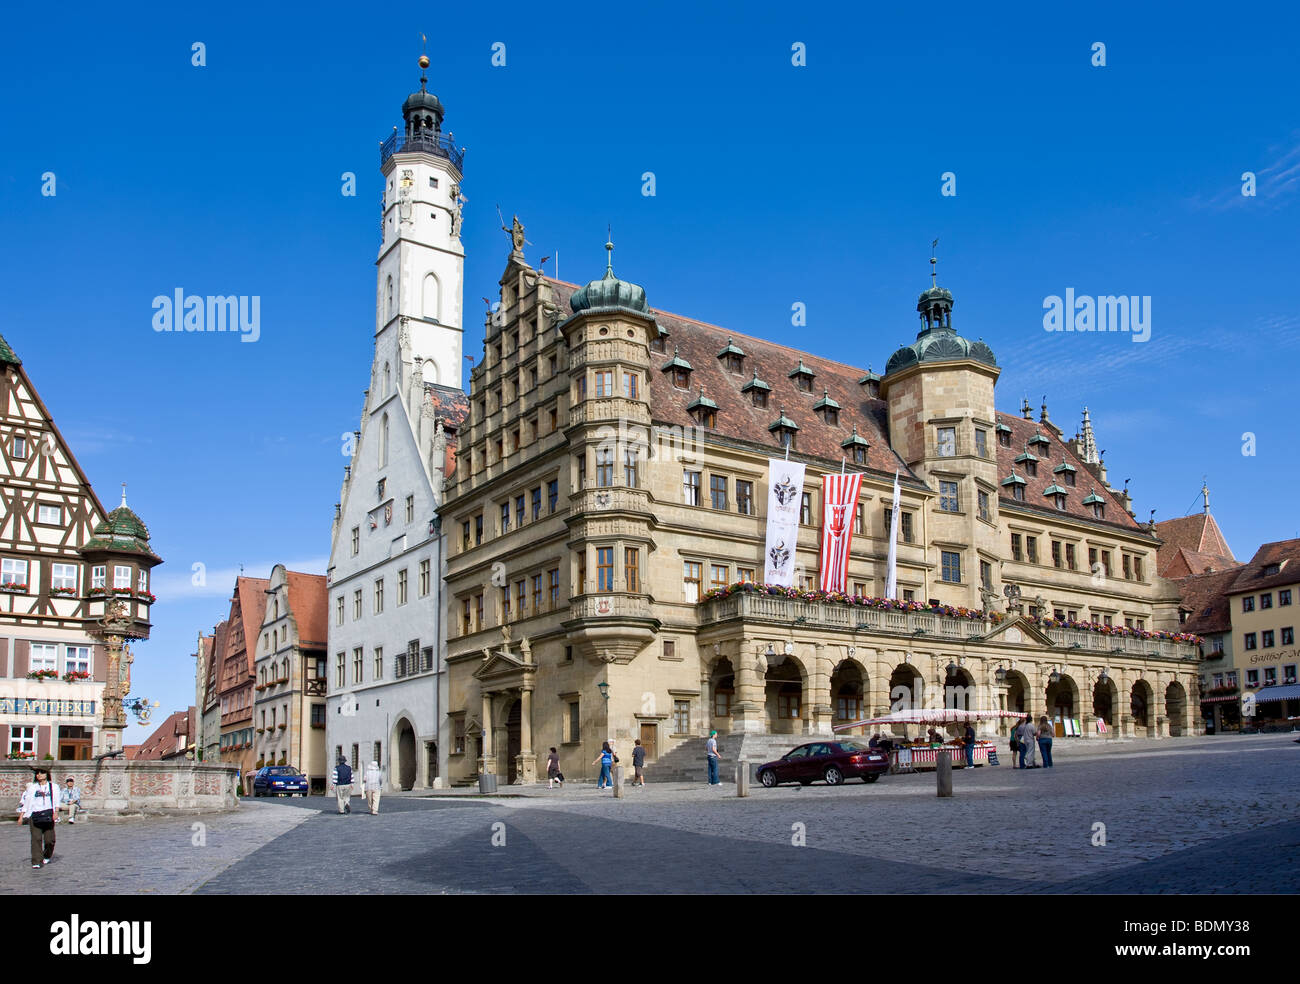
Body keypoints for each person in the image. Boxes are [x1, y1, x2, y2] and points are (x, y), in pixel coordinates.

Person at [18, 766, 61, 869]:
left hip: (48, 814)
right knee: (36, 839)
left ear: (47, 774)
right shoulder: (33, 788)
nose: (39, 775)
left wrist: (56, 812)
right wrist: (21, 816)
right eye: (37, 773)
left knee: (49, 840)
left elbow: (56, 800)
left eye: (42, 773)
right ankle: (36, 861)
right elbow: (27, 802)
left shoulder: (53, 787)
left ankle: (46, 855)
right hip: (35, 815)